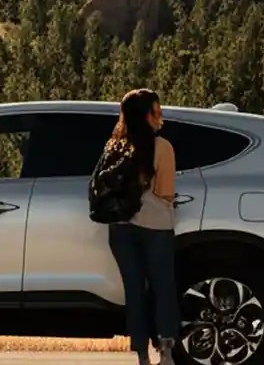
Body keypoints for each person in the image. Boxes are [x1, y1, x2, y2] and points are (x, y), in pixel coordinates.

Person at [106, 88, 178, 365]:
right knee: (162, 287)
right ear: (147, 115)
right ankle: (167, 352)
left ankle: (141, 356)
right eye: (157, 111)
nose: (160, 116)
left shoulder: (114, 145)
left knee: (134, 290)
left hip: (120, 226)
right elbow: (166, 192)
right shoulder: (163, 148)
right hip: (156, 226)